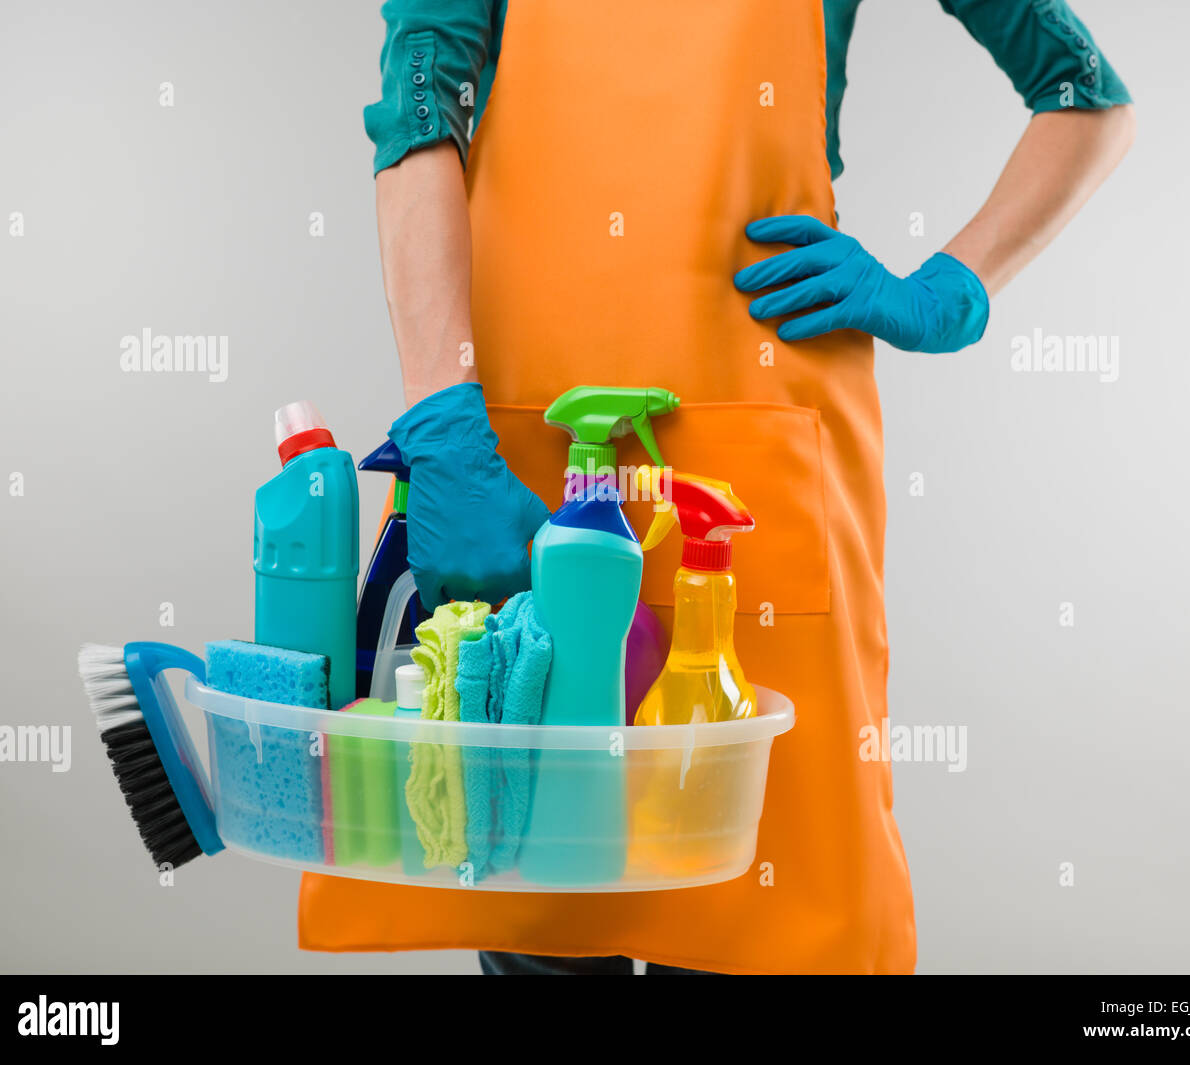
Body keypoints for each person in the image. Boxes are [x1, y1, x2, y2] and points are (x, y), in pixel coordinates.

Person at [298, 0, 1134, 974]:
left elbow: (1086, 102)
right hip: (527, 441)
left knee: (772, 904)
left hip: (759, 436)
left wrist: (952, 287)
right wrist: (442, 422)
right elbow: (417, 110)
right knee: (544, 897)